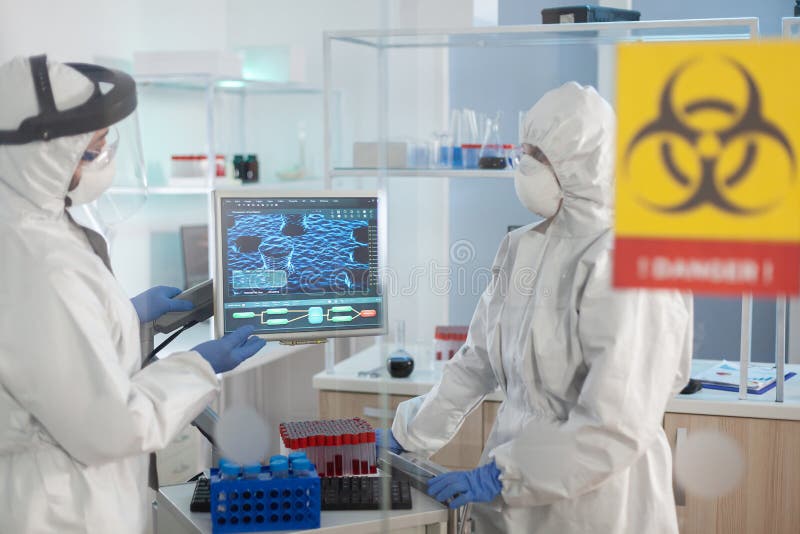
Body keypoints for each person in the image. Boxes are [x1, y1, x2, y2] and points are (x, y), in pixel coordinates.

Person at [378, 82, 693, 533]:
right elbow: (477, 362)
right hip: (514, 491)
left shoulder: (629, 263)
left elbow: (616, 424)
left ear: (581, 163)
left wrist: (503, 475)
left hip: (596, 500)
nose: (523, 163)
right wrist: (407, 434)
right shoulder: (522, 246)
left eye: (538, 154)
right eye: (523, 149)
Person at [0, 55, 265, 533]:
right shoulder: (36, 259)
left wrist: (127, 315)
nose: (107, 158)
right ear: (47, 151)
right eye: (95, 148)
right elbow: (111, 426)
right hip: (61, 509)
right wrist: (199, 365)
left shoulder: (33, 218)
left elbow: (58, 346)